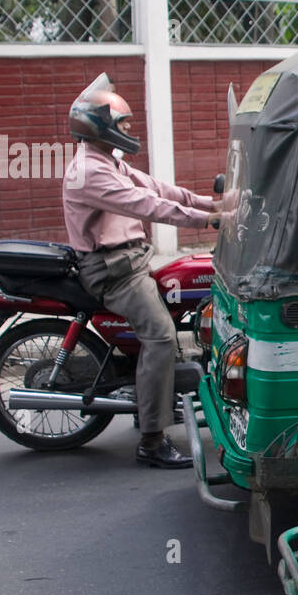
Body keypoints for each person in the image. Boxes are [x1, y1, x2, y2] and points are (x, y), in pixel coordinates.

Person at [61, 75, 220, 468]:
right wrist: (212, 221)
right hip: (114, 271)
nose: (129, 130)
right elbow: (146, 206)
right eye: (123, 123)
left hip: (130, 260)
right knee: (162, 337)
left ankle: (151, 398)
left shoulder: (108, 161)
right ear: (98, 126)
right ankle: (152, 439)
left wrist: (216, 201)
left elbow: (160, 190)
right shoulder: (90, 172)